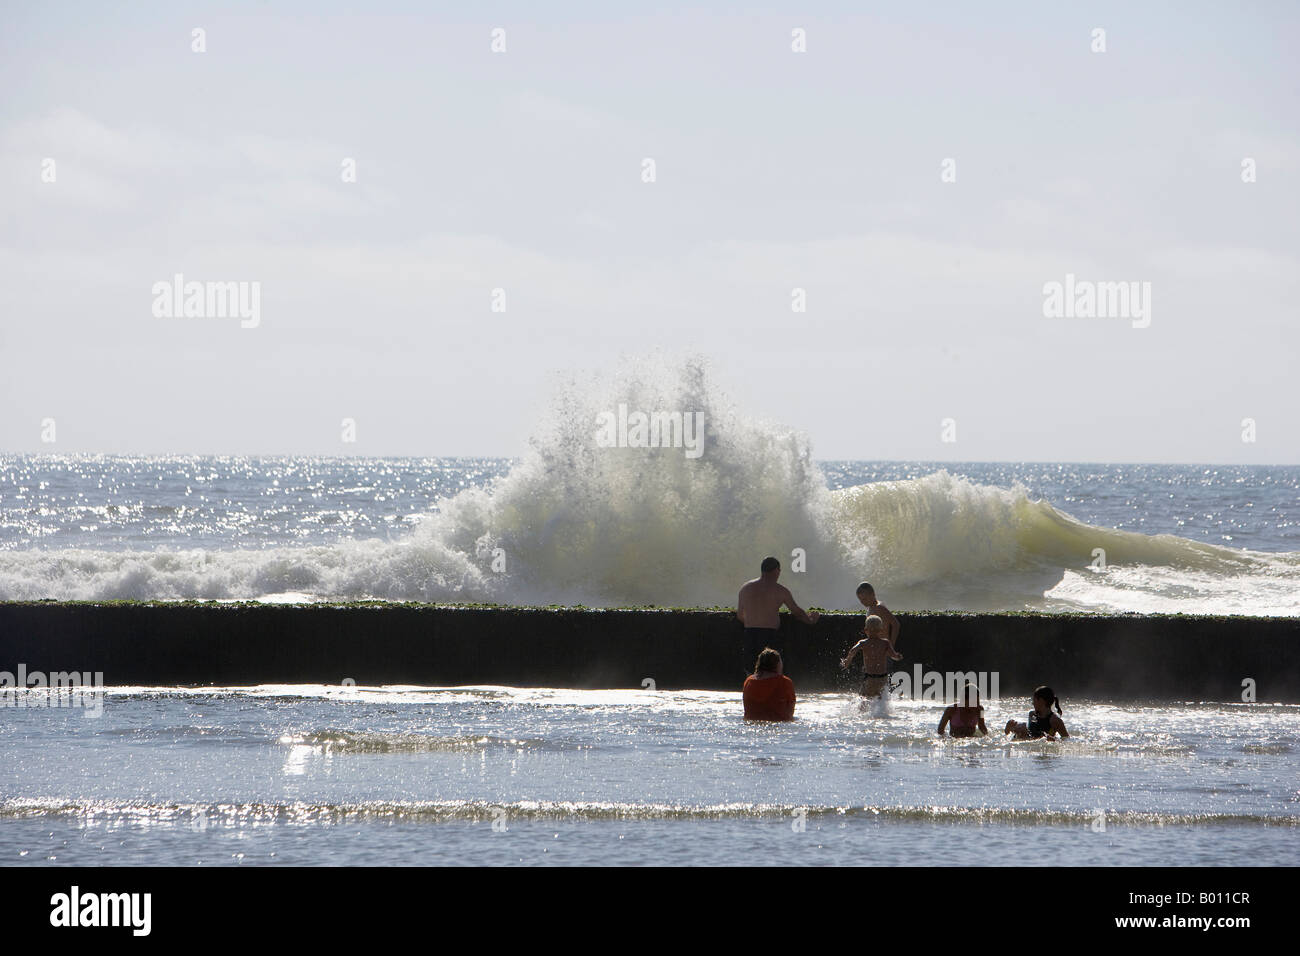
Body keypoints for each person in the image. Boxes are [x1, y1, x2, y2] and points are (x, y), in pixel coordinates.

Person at [737, 556, 819, 671]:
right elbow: (797, 612)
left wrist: (754, 623)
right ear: (776, 570)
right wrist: (811, 620)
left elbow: (740, 615)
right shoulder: (780, 590)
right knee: (771, 670)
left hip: (750, 634)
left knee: (751, 670)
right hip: (770, 636)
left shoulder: (745, 588)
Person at [840, 614, 901, 699]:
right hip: (882, 678)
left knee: (863, 700)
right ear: (881, 630)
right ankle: (882, 712)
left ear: (866, 630)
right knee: (881, 699)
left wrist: (847, 660)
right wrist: (898, 656)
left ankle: (862, 712)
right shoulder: (885, 643)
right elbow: (893, 655)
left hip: (870, 678)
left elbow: (852, 650)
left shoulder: (863, 643)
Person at [742, 648, 796, 721]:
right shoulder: (785, 682)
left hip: (751, 725)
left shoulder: (748, 682)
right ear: (777, 664)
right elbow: (790, 711)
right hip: (779, 725)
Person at [1004, 685, 1069, 739]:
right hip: (1028, 745)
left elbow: (1067, 740)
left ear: (1041, 701)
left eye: (1034, 700)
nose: (1032, 703)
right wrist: (1010, 728)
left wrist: (1055, 741)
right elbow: (1031, 732)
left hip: (1043, 749)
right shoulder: (1032, 715)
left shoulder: (1055, 720)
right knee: (1020, 728)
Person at [856, 582, 900, 654]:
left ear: (872, 594)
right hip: (875, 648)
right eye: (860, 600)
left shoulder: (879, 607)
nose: (862, 602)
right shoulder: (871, 607)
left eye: (864, 599)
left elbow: (896, 624)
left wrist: (891, 646)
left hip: (884, 649)